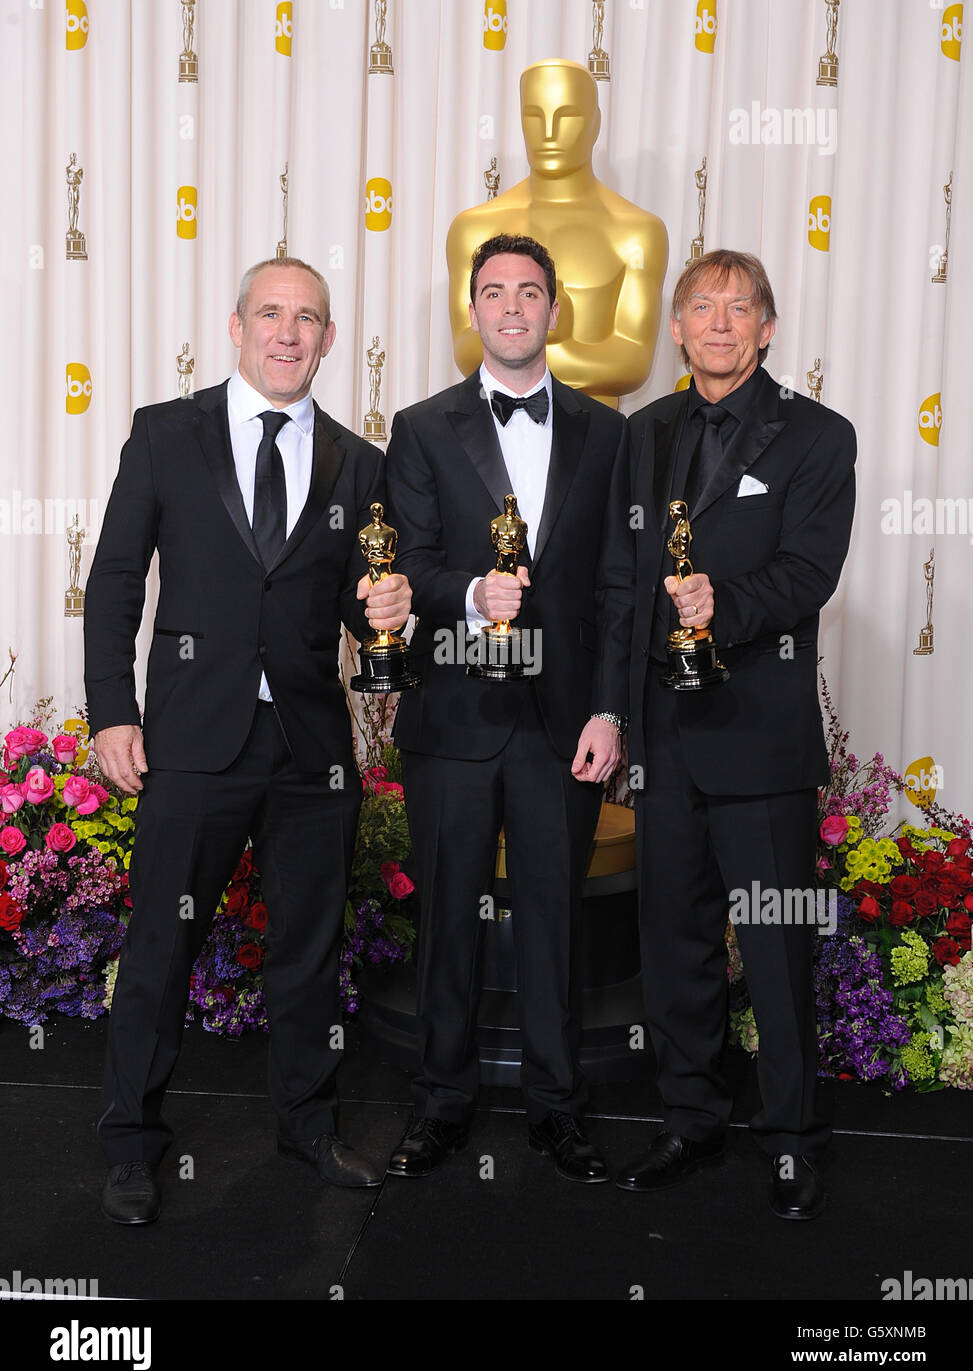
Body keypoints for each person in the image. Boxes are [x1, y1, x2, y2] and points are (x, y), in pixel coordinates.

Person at [84, 257, 412, 1224]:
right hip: (189, 739)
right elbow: (112, 580)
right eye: (270, 313)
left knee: (309, 953)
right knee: (159, 946)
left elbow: (365, 611)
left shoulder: (361, 461)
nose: (287, 332)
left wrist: (389, 605)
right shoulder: (164, 434)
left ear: (328, 340)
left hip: (311, 749)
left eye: (307, 318)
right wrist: (112, 710)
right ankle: (132, 1145)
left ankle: (308, 1129)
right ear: (235, 327)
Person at [383, 233, 632, 1183]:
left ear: (555, 311)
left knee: (553, 919)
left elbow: (619, 587)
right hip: (451, 715)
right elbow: (400, 562)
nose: (513, 308)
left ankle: (557, 1109)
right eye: (495, 293)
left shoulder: (609, 434)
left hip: (560, 722)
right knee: (446, 915)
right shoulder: (419, 427)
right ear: (473, 310)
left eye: (531, 292)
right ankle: (439, 1105)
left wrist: (609, 712)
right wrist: (467, 595)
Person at [618, 249, 856, 1220]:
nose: (719, 322)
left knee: (775, 953)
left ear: (766, 328)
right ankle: (688, 1118)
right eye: (701, 306)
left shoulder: (816, 436)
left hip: (758, 746)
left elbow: (809, 571)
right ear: (676, 327)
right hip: (664, 741)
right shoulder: (641, 435)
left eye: (739, 307)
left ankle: (793, 1141)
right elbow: (616, 585)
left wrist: (725, 604)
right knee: (672, 945)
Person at [446, 60, 667, 406]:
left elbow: (633, 361)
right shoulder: (474, 228)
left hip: (596, 446)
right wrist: (567, 349)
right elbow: (465, 348)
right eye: (534, 116)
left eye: (567, 117)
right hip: (489, 438)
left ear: (595, 124)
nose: (548, 132)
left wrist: (521, 347)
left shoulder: (637, 232)